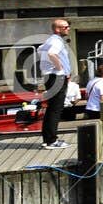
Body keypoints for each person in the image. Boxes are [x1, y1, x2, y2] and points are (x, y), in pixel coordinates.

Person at [37, 18, 73, 149]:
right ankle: (52, 141)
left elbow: (40, 50)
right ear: (57, 29)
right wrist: (61, 70)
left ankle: (48, 139)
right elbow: (52, 54)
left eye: (68, 27)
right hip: (57, 78)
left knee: (51, 108)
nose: (68, 29)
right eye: (65, 27)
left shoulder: (49, 40)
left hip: (50, 77)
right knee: (56, 109)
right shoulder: (56, 41)